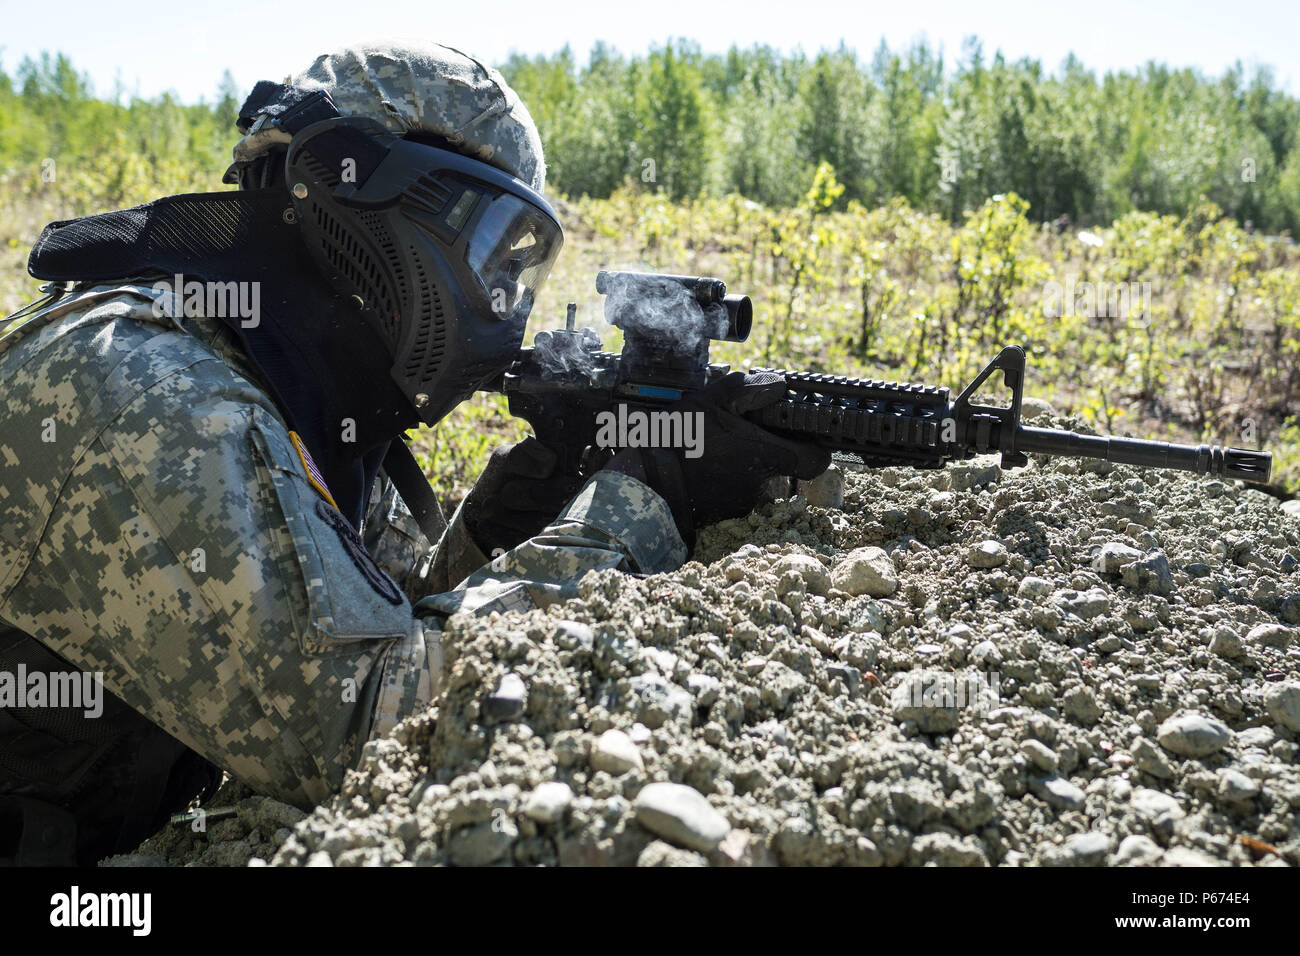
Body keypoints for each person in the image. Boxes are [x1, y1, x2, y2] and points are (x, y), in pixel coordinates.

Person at [0, 41, 826, 865]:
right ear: (352, 191)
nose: (502, 298)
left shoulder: (297, 388)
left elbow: (382, 620)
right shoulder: (151, 388)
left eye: (518, 263)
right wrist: (632, 504)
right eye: (486, 243)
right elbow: (367, 728)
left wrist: (501, 527)